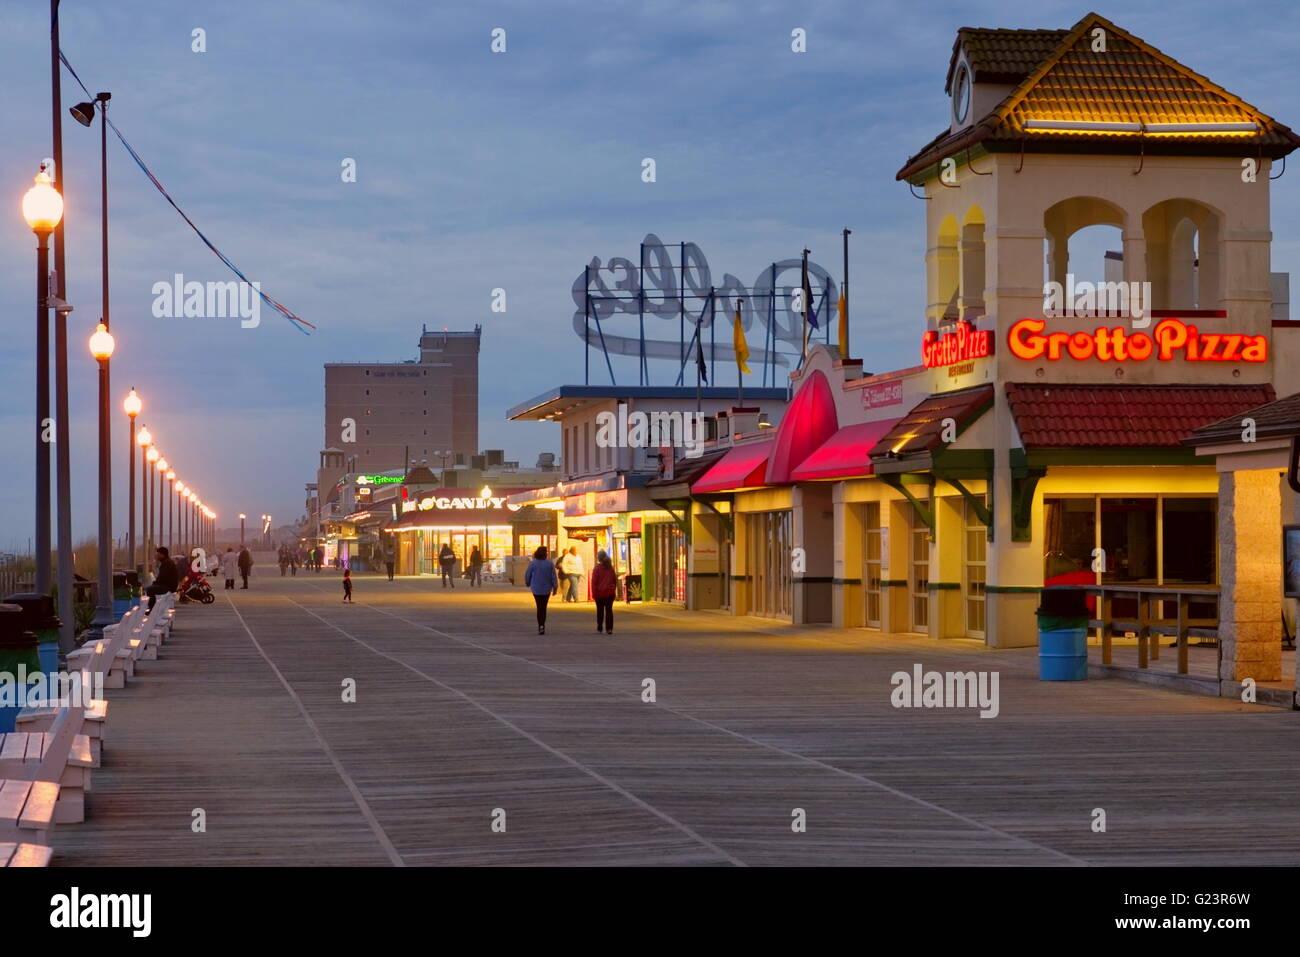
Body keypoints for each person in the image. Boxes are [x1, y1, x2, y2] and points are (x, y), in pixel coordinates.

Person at [524, 545, 559, 634]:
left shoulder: (533, 563)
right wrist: (555, 587)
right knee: (544, 607)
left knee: (539, 607)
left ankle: (540, 625)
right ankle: (542, 624)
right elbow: (553, 576)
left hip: (536, 588)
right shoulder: (549, 563)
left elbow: (528, 574)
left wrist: (527, 582)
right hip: (546, 589)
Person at [591, 550, 618, 634]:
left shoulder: (597, 568)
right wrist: (613, 589)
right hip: (610, 593)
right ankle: (609, 628)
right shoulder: (611, 568)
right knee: (609, 611)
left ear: (599, 558)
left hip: (600, 593)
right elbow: (614, 579)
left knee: (600, 611)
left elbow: (594, 582)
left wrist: (594, 593)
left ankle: (600, 627)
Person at [146, 546, 178, 610]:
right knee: (152, 588)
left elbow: (162, 577)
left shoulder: (166, 563)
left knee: (150, 589)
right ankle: (152, 608)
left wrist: (155, 583)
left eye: (158, 554)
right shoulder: (167, 562)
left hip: (168, 587)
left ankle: (151, 608)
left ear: (162, 555)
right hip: (170, 586)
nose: (156, 556)